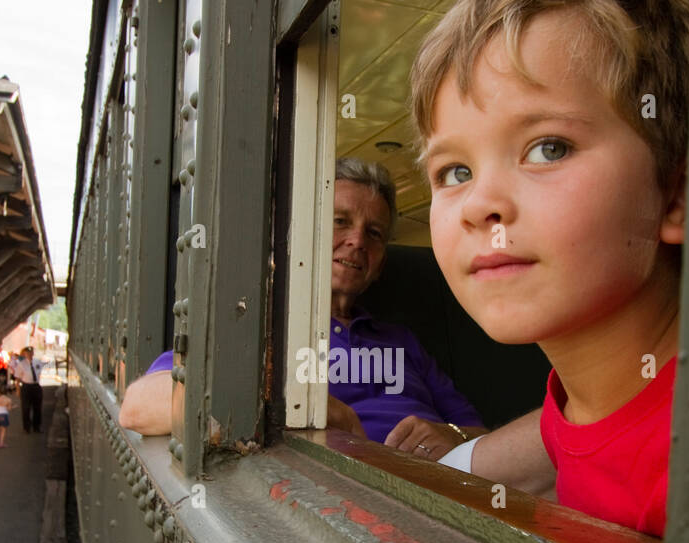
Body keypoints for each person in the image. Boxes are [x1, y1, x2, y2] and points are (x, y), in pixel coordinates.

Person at [409, 0, 689, 537]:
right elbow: (560, 436)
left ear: (676, 194)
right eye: (453, 172)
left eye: (548, 148)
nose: (481, 203)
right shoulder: (587, 391)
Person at [119, 158, 489, 460]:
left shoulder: (403, 341)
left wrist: (450, 434)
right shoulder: (266, 329)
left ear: (380, 263)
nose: (357, 240)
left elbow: (481, 436)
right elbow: (138, 407)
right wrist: (302, 405)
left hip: (445, 489)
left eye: (374, 233)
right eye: (340, 221)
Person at [14, 346, 44, 434]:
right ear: (24, 354)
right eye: (28, 353)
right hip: (26, 387)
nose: (30, 354)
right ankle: (26, 427)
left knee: (37, 408)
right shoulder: (21, 364)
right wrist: (18, 390)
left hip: (36, 386)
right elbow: (18, 379)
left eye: (31, 353)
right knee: (26, 408)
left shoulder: (37, 362)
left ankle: (37, 426)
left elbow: (40, 371)